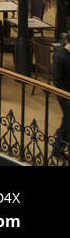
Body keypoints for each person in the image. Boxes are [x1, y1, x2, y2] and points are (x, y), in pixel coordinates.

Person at [51, 28, 69, 160]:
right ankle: (58, 148)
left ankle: (59, 148)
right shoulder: (60, 55)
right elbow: (57, 79)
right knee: (68, 119)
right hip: (65, 94)